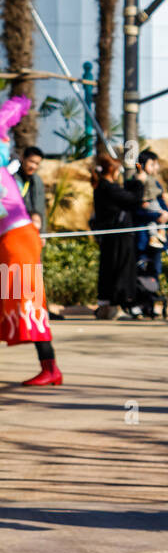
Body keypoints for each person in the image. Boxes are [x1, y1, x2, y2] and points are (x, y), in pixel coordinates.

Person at [0, 100, 61, 384]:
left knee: (28, 305)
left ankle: (51, 369)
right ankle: (50, 368)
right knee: (13, 304)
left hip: (18, 238)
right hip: (12, 239)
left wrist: (21, 102)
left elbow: (3, 118)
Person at [92, 156, 157, 320]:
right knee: (121, 269)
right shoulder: (108, 188)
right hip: (118, 237)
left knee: (112, 269)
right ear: (112, 170)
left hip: (116, 236)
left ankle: (110, 303)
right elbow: (132, 199)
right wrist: (139, 182)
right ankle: (124, 301)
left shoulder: (104, 187)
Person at [134, 149, 168, 282]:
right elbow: (137, 209)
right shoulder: (136, 182)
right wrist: (156, 216)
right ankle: (141, 300)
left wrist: (166, 214)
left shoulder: (155, 183)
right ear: (142, 166)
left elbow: (162, 203)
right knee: (141, 269)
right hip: (143, 237)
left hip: (157, 238)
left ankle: (151, 298)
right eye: (152, 164)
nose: (156, 167)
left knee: (155, 270)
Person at [13, 144, 47, 232]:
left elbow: (40, 208)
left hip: (31, 229)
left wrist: (42, 233)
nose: (33, 166)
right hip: (13, 226)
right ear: (22, 158)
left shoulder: (37, 180)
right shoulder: (12, 177)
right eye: (31, 161)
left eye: (37, 163)